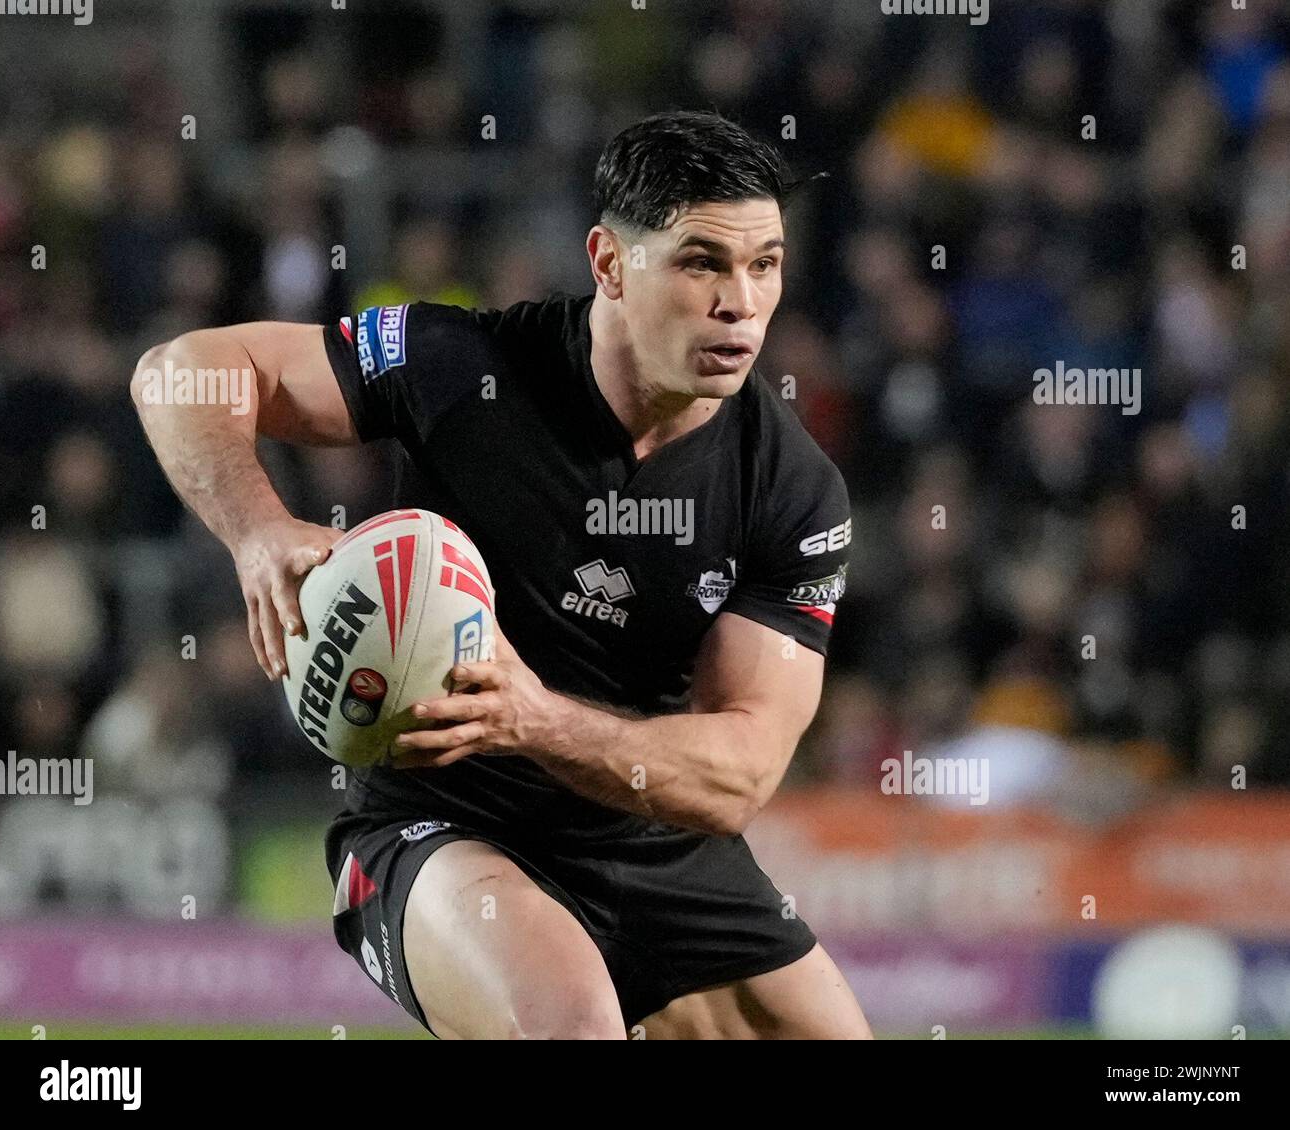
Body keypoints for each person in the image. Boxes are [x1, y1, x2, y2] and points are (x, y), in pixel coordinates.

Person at [132, 111, 871, 1040]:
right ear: (608, 263)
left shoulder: (794, 489)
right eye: (701, 263)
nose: (742, 302)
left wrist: (536, 718)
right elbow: (179, 372)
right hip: (437, 827)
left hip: (646, 843)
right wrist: (257, 529)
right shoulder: (463, 366)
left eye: (764, 264)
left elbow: (741, 774)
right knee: (570, 1025)